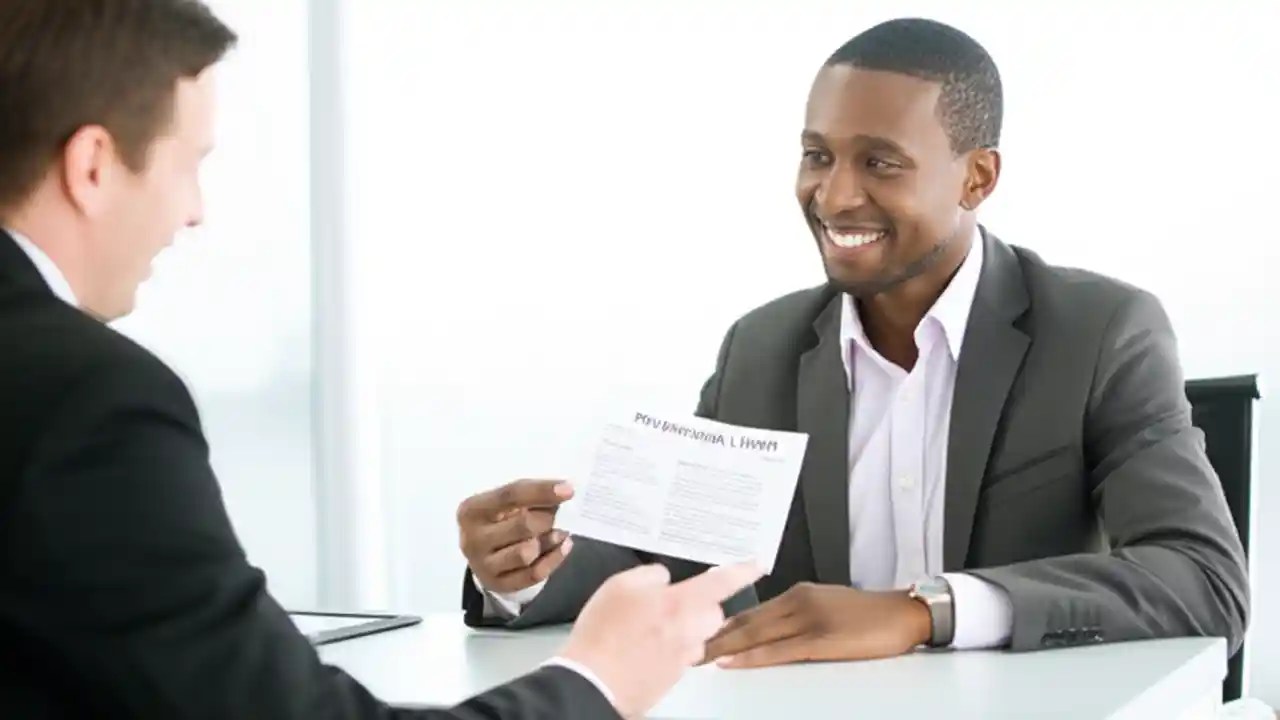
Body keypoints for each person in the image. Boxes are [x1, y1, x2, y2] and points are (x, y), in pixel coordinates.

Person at [0, 1, 760, 718]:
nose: (195, 211)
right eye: (189, 165)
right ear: (93, 165)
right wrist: (596, 681)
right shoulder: (88, 399)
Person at [458, 17, 1249, 668]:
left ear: (976, 178)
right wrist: (526, 570)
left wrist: (922, 612)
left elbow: (1203, 578)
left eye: (880, 162)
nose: (834, 195)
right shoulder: (761, 350)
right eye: (817, 156)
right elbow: (668, 561)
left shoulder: (1098, 333)